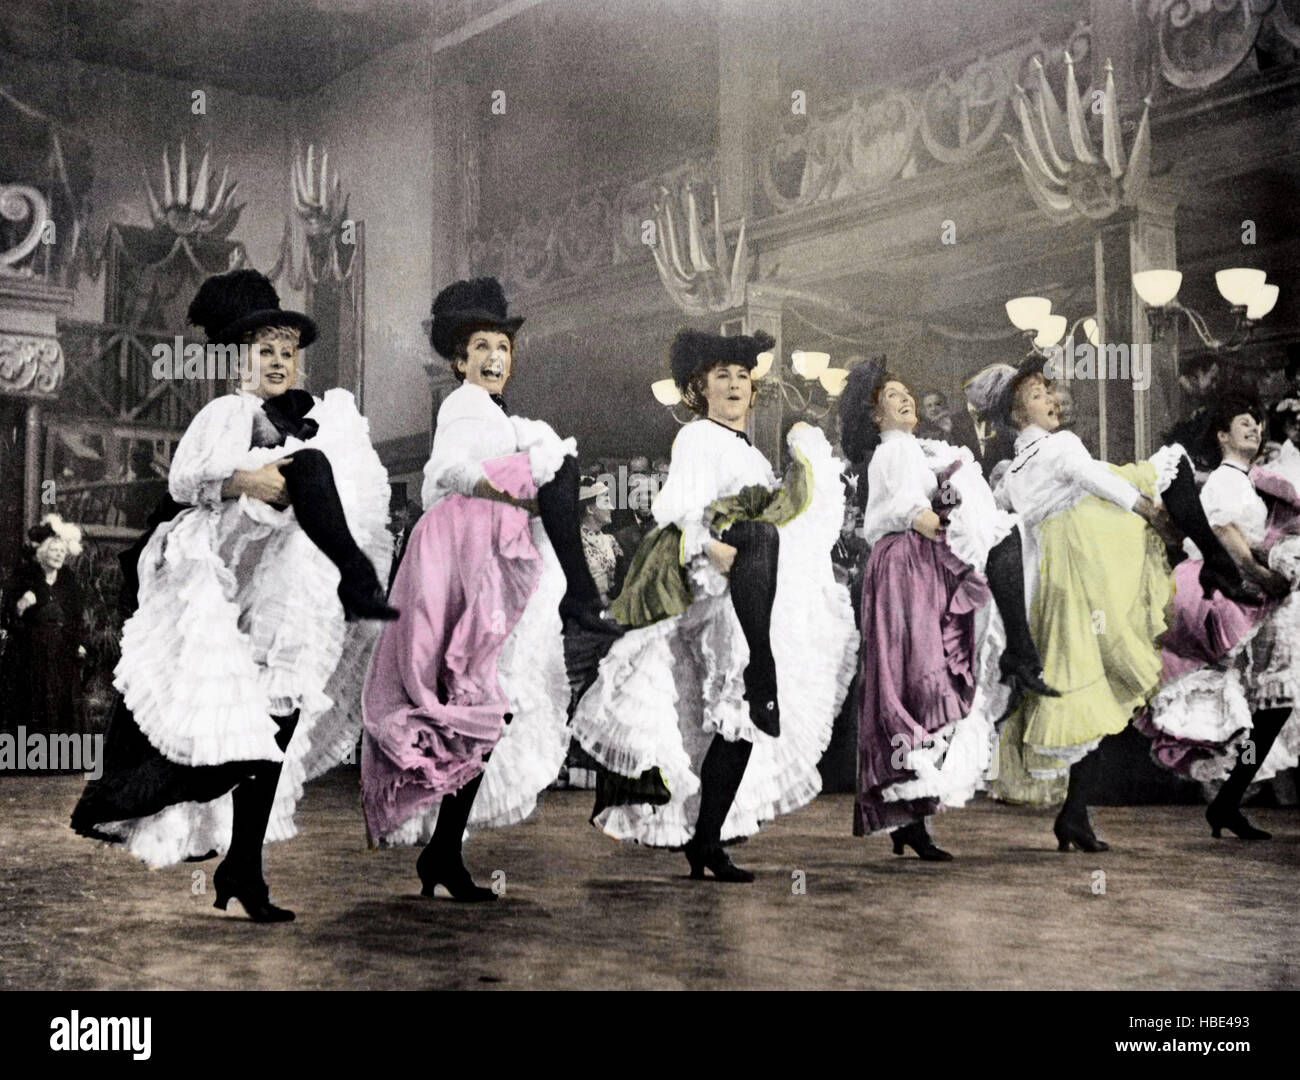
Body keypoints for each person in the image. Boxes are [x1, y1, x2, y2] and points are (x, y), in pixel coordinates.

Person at [71, 269, 392, 922]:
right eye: (263, 350)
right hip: (212, 574)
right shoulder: (226, 411)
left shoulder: (298, 418)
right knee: (235, 734)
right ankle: (357, 578)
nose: (276, 361)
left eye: (285, 351)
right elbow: (188, 479)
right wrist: (247, 479)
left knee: (275, 722)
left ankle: (244, 868)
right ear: (239, 359)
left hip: (266, 582)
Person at [571, 328, 857, 881]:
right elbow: (677, 508)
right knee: (737, 696)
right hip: (711, 578)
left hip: (745, 585)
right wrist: (711, 546)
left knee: (734, 715)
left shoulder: (745, 449)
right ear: (698, 389)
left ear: (754, 391)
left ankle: (707, 837)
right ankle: (759, 685)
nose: (733, 384)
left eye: (742, 376)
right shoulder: (698, 438)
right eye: (721, 375)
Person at [360, 276, 582, 901]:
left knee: (482, 701)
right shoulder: (463, 404)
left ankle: (442, 853)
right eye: (480, 347)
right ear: (460, 360)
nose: (493, 358)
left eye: (502, 348)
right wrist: (509, 485)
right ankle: (442, 854)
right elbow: (443, 475)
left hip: (479, 552)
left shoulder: (498, 414)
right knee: (473, 695)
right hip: (457, 552)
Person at [990, 356, 1253, 852]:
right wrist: (1150, 513)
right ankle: (1216, 560)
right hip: (1087, 560)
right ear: (1016, 414)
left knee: (1087, 688)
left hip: (1050, 578)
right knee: (1168, 466)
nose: (1051, 399)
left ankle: (1075, 814)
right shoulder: (1059, 445)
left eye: (1049, 390)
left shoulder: (1010, 472)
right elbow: (1095, 479)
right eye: (1038, 394)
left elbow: (1004, 516)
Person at [842, 361, 1054, 860]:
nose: (904, 399)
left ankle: (911, 816)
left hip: (920, 562)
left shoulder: (916, 450)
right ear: (874, 416)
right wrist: (956, 529)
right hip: (904, 562)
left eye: (906, 392)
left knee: (921, 678)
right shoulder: (892, 452)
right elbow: (904, 509)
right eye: (892, 396)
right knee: (915, 678)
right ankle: (907, 812)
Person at [1140, 397, 1300, 838]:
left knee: (1271, 709)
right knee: (1272, 706)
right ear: (1222, 436)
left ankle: (1229, 797)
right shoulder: (1226, 482)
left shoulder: (1250, 481)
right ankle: (1228, 797)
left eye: (1257, 422)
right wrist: (1265, 578)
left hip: (1249, 598)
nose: (1254, 427)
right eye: (1242, 423)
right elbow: (1229, 538)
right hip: (1231, 596)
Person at [1, 515, 88, 737]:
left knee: (62, 698)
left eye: (62, 551)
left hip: (61, 650)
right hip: (30, 651)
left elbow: (77, 616)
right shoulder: (25, 576)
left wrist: (78, 642)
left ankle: (59, 758)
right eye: (54, 550)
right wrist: (22, 604)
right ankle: (28, 754)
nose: (60, 554)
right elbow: (9, 614)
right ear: (42, 553)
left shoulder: (68, 579)